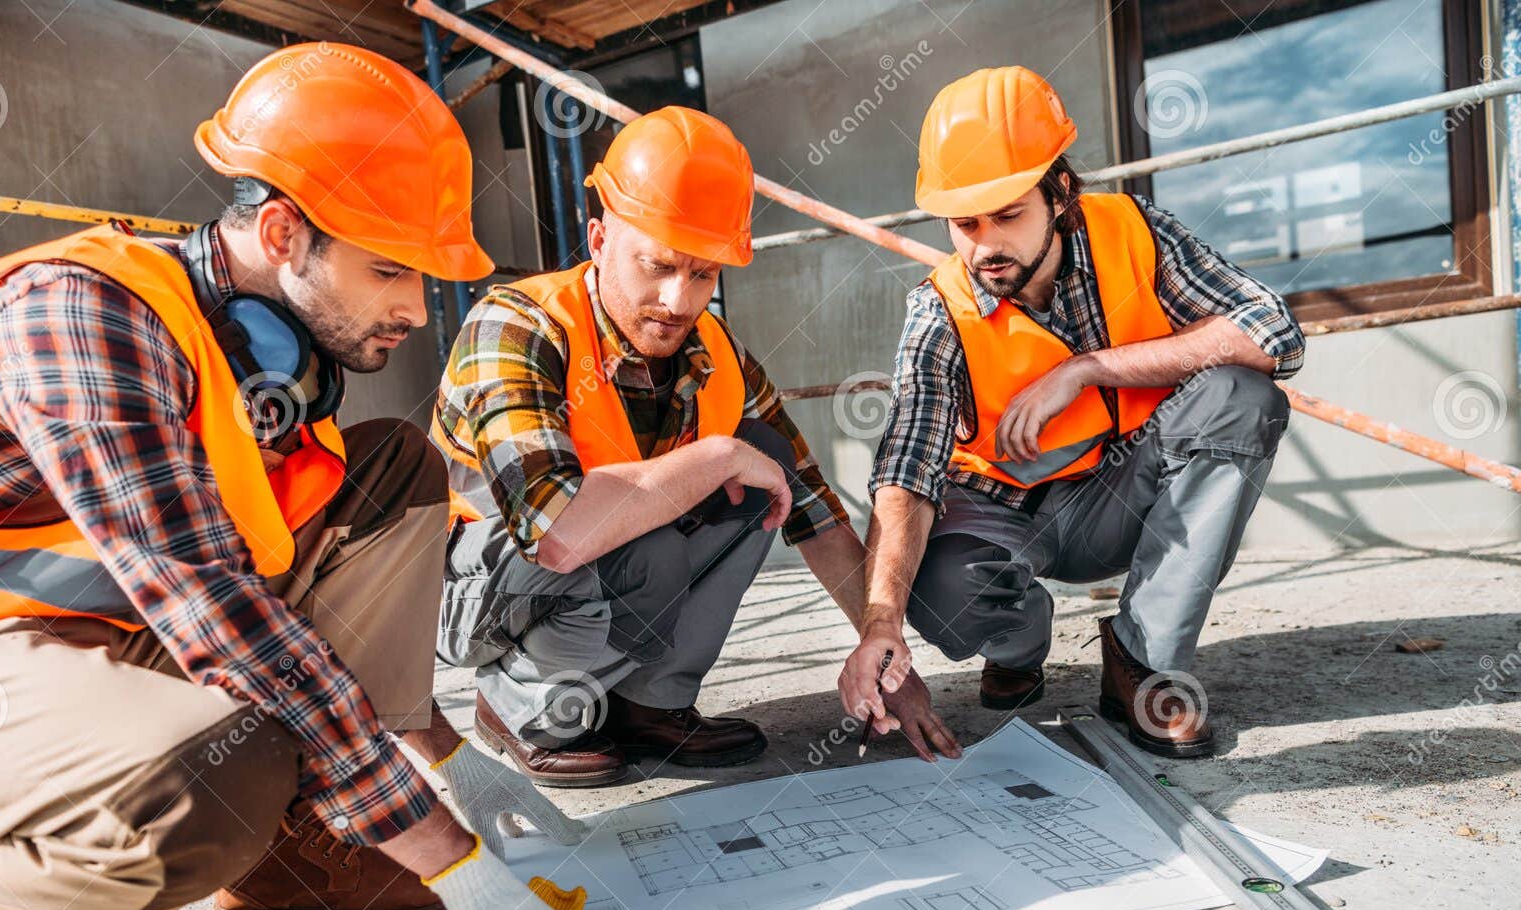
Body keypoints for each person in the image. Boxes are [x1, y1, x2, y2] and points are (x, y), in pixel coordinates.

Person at [0, 43, 631, 910]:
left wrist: (440, 751)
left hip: (106, 619)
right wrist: (450, 859)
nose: (409, 309)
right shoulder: (81, 324)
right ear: (283, 231)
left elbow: (262, 556)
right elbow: (215, 606)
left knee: (390, 471)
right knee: (213, 773)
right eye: (389, 270)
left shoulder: (253, 356)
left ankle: (291, 850)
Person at [436, 106, 959, 787]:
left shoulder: (715, 354)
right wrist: (716, 457)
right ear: (598, 238)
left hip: (586, 561)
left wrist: (886, 653)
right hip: (472, 587)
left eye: (704, 275)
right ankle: (520, 707)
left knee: (763, 462)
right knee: (683, 508)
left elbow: (816, 514)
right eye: (656, 266)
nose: (678, 301)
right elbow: (555, 536)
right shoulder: (515, 327)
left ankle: (648, 705)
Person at [841, 66, 1305, 758]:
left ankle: (1141, 662)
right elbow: (906, 468)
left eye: (1007, 213)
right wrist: (880, 622)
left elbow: (1273, 333)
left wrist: (1085, 369)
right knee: (939, 593)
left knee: (1244, 397)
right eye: (964, 223)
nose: (984, 246)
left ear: (1060, 193)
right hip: (1001, 519)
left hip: (1120, 496)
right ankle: (1019, 647)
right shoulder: (939, 310)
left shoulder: (1133, 233)